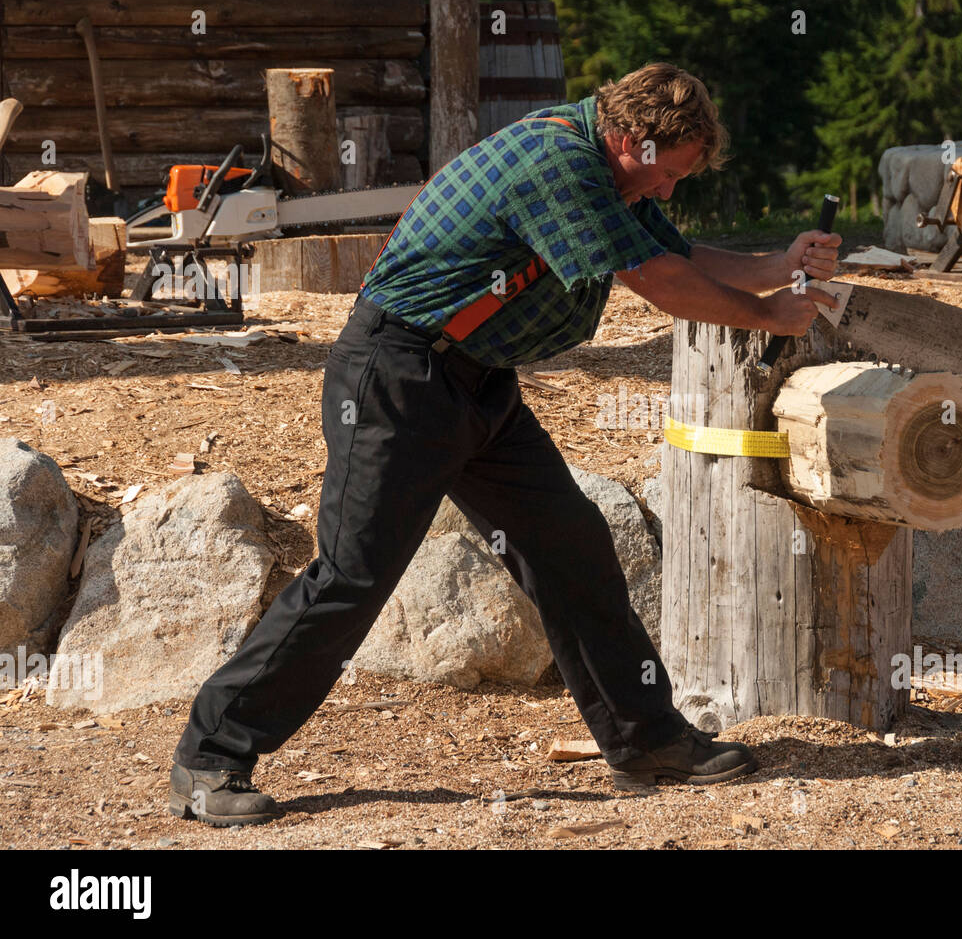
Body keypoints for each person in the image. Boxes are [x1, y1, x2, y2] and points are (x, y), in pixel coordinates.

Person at [167, 62, 841, 827]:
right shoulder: (559, 164)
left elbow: (676, 253)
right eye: (669, 175)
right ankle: (210, 756)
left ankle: (646, 738)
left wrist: (777, 267)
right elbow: (660, 282)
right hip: (398, 378)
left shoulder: (609, 165)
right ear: (632, 139)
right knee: (352, 575)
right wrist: (772, 316)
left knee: (571, 543)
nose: (667, 191)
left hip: (473, 379)